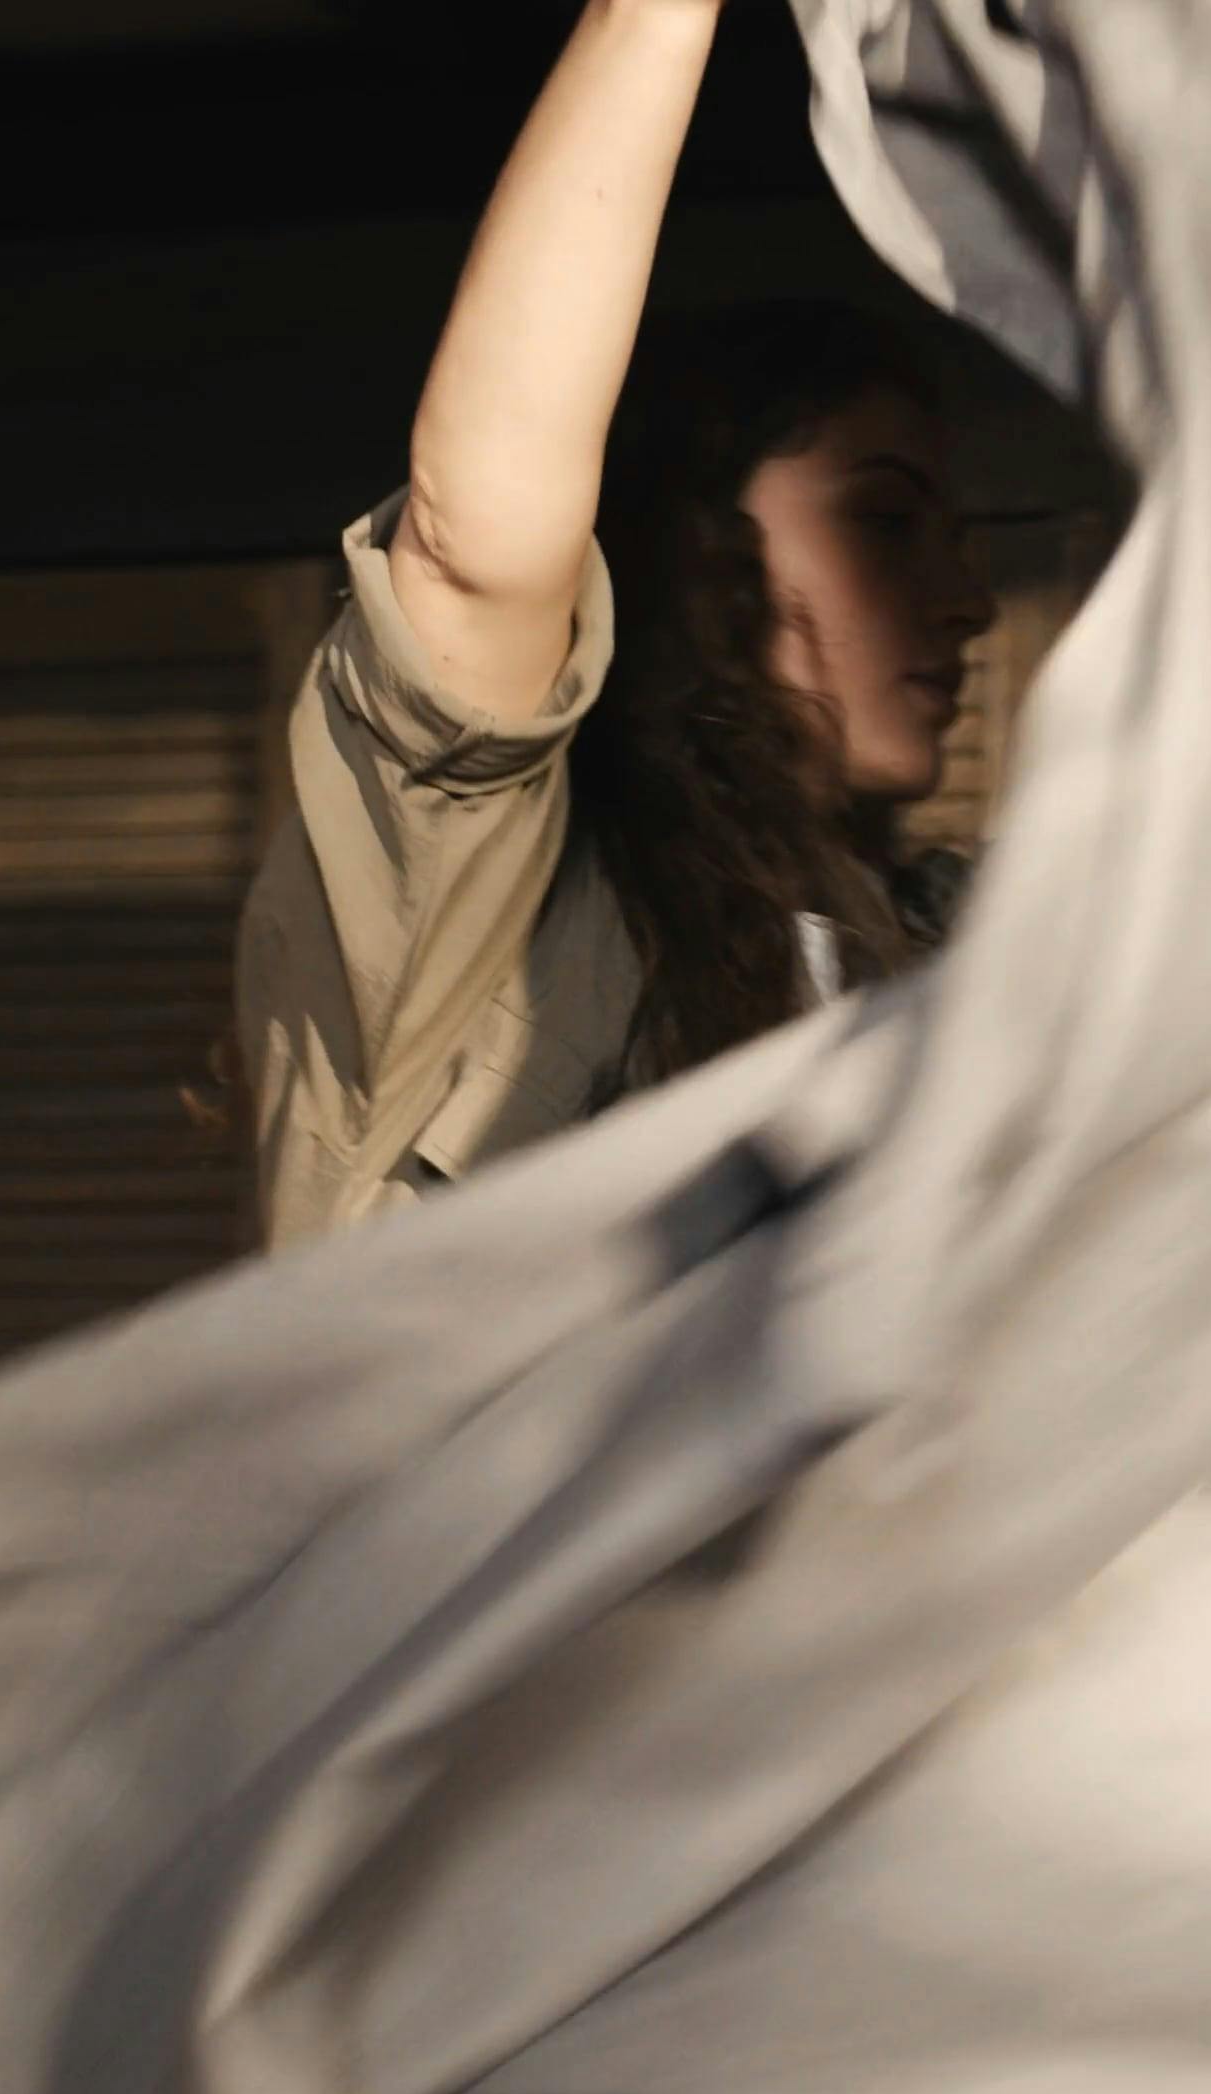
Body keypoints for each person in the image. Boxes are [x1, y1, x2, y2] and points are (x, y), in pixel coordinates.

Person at [238, 0, 997, 1250]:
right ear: (698, 546)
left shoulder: (927, 948)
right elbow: (473, 547)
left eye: (958, 541)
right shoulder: (499, 898)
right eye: (883, 522)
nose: (963, 601)